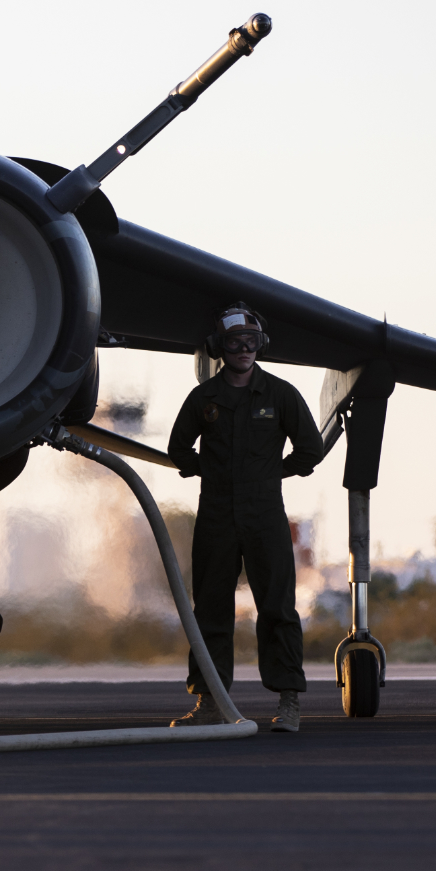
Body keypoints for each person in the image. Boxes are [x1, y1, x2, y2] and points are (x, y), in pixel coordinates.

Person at [165, 304, 323, 733]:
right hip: (216, 514)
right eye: (235, 342)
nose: (243, 350)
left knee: (278, 608)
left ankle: (288, 702)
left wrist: (272, 472)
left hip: (265, 513)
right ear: (220, 347)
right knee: (211, 610)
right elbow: (178, 450)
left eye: (250, 342)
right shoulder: (203, 400)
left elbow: (311, 450)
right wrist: (210, 471)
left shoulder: (281, 394)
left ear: (260, 345)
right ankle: (210, 703)